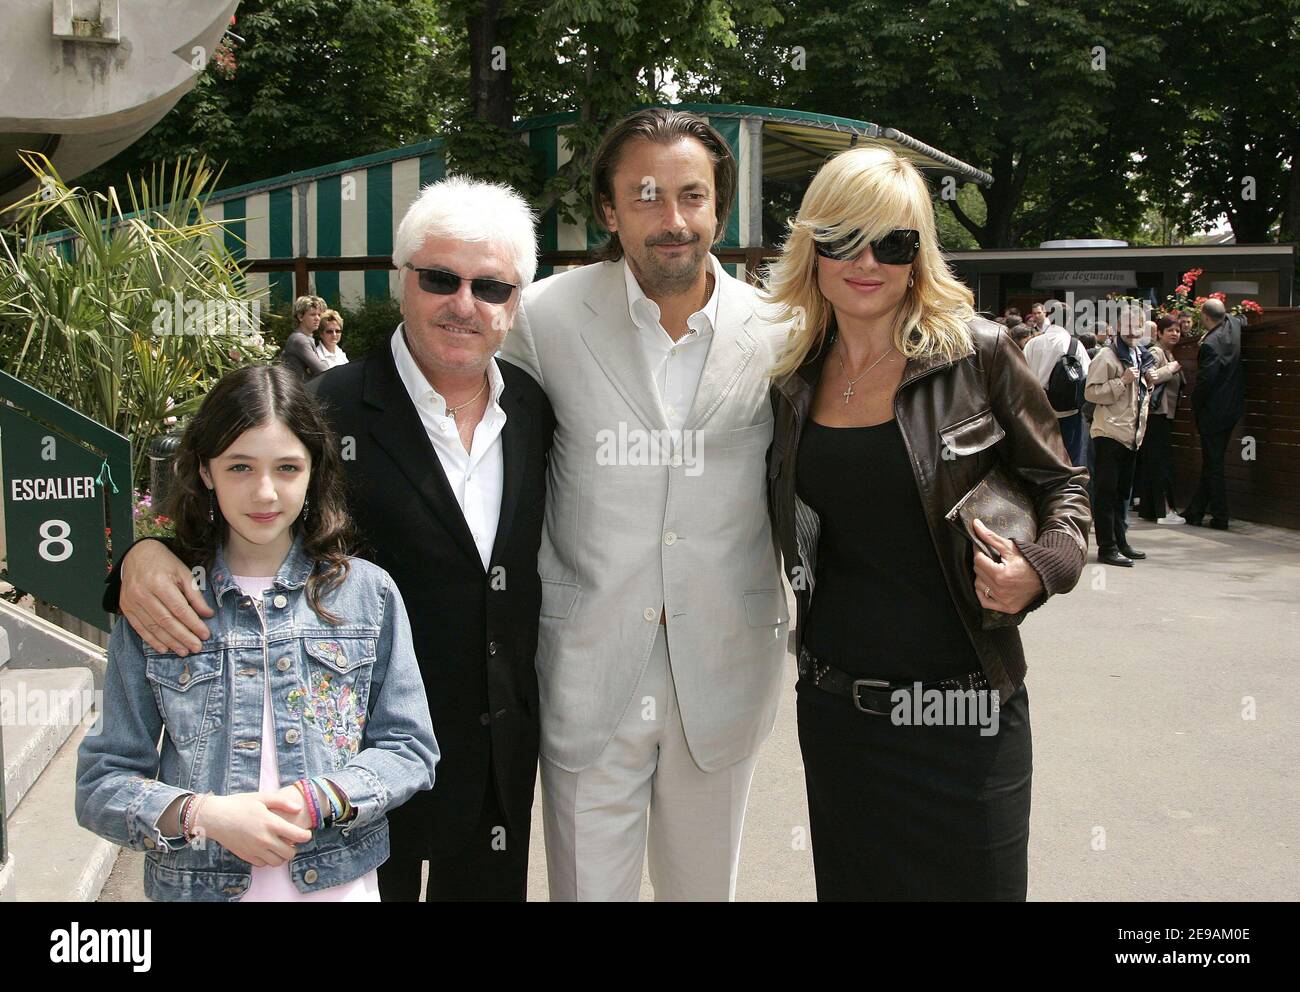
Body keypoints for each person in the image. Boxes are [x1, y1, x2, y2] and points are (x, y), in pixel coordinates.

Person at [102, 176, 554, 902]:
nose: (464, 304)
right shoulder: (320, 408)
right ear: (402, 281)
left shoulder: (533, 410)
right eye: (440, 278)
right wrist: (136, 557)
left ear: (515, 303)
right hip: (349, 763)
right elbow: (227, 507)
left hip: (497, 748)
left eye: (490, 288)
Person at [763, 145, 1091, 901]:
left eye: (894, 241)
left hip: (967, 712)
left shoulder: (979, 355)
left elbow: (1064, 485)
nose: (867, 260)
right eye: (843, 238)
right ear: (813, 249)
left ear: (919, 256)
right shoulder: (791, 381)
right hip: (840, 713)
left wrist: (1041, 571)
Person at [500, 107, 789, 901]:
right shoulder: (542, 319)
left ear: (719, 207)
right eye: (648, 196)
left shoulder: (779, 331)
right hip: (587, 672)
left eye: (692, 196)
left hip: (725, 672)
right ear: (607, 209)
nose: (674, 220)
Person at [76, 365, 439, 901]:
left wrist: (323, 798)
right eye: (240, 466)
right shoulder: (163, 604)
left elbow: (410, 747)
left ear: (314, 470)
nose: (265, 492)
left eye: (287, 467)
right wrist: (206, 814)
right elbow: (101, 783)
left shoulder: (367, 594)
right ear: (205, 471)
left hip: (339, 888)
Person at [1084, 303, 1155, 566]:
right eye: (1128, 326)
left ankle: (1120, 542)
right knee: (1106, 493)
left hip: (1132, 436)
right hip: (1109, 434)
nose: (1133, 331)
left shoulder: (1140, 355)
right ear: (1116, 329)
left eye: (1137, 326)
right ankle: (1107, 548)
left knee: (1122, 494)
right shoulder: (1106, 356)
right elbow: (1090, 393)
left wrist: (1150, 381)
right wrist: (1122, 381)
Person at [1182, 298, 1245, 529]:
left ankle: (1220, 516)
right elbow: (1241, 317)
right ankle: (1196, 511)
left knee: (1214, 464)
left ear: (1205, 317)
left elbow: (1205, 382)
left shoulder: (1210, 344)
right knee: (1213, 462)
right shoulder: (1235, 324)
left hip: (1213, 413)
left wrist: (1195, 405)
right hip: (1232, 408)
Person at [1024, 303, 1090, 466]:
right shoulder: (1075, 345)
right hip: (1068, 413)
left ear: (1049, 317)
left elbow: (1022, 375)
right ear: (1068, 319)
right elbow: (1086, 376)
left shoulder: (1033, 343)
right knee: (1069, 462)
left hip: (1038, 412)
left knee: (1040, 462)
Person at [1137, 315, 1185, 523]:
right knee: (1159, 463)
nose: (1175, 334)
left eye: (1177, 331)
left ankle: (1151, 510)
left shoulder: (1167, 352)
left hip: (1162, 415)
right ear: (1159, 333)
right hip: (1158, 415)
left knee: (1154, 462)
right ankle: (1162, 511)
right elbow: (1149, 377)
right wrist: (1171, 369)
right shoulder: (1157, 352)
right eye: (1170, 330)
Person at [281, 296, 332, 381]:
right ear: (300, 317)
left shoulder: (304, 338)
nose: (317, 318)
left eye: (319, 314)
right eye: (313, 314)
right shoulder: (300, 340)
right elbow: (323, 370)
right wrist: (325, 362)